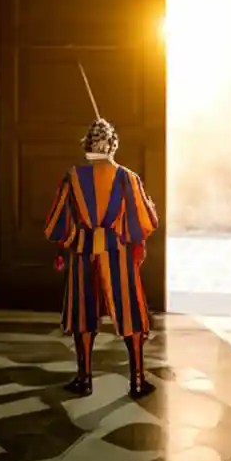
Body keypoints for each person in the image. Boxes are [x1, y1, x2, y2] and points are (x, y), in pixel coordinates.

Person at [44, 117, 158, 399]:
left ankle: (84, 379)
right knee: (130, 312)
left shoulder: (73, 176)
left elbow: (59, 220)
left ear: (89, 144)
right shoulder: (127, 177)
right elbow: (145, 219)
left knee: (83, 315)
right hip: (116, 252)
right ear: (112, 145)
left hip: (84, 251)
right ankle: (137, 380)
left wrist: (68, 243)